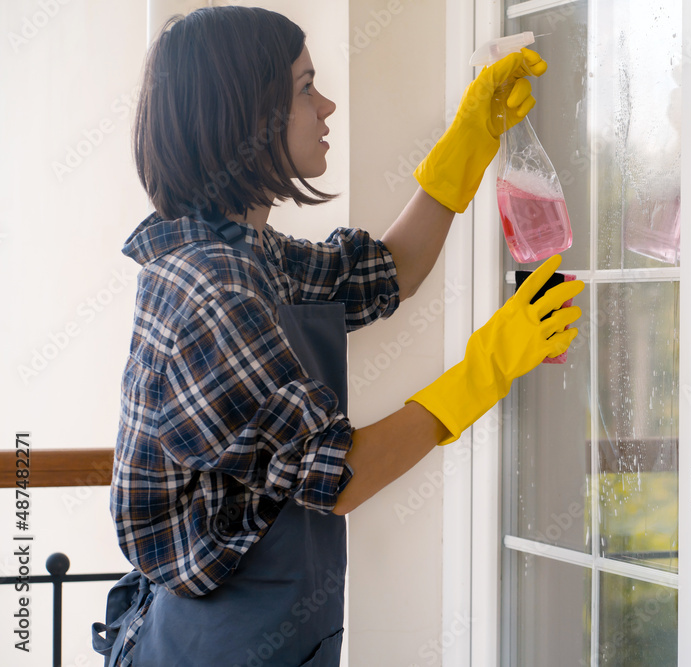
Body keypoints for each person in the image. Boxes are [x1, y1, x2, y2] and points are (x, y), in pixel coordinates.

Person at [91, 7, 583, 666]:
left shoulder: (243, 251)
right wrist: (483, 369)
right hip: (211, 643)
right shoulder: (213, 289)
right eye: (304, 88)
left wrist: (472, 138)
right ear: (247, 115)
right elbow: (342, 473)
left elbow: (387, 272)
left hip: (269, 629)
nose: (326, 106)